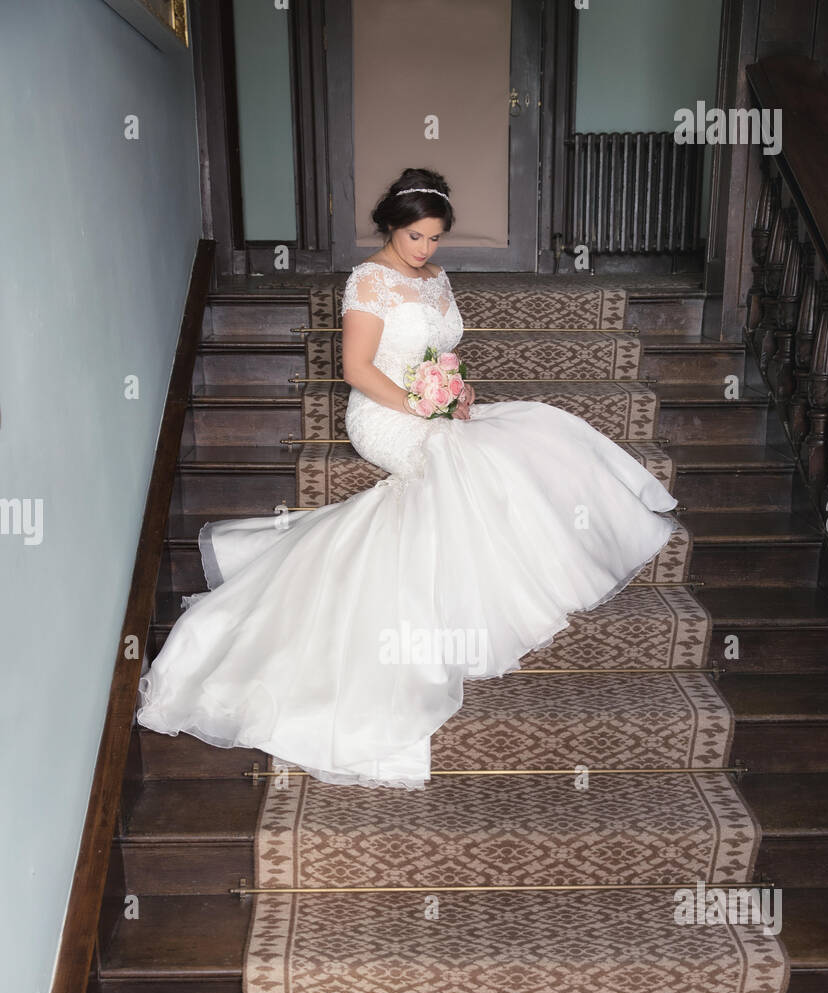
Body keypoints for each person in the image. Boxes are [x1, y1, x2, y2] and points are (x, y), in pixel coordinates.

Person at [136, 168, 678, 788]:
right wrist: (420, 404)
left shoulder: (437, 279)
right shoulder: (368, 282)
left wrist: (458, 385)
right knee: (468, 460)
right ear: (392, 225)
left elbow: (442, 352)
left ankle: (550, 557)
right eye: (416, 236)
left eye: (434, 239)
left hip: (431, 403)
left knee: (535, 430)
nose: (425, 249)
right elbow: (358, 369)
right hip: (383, 413)